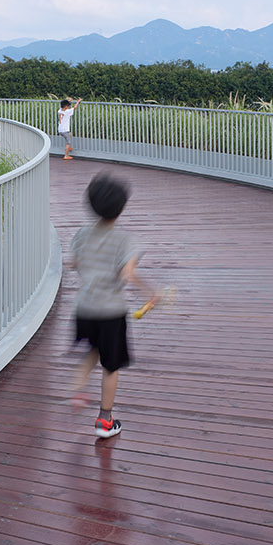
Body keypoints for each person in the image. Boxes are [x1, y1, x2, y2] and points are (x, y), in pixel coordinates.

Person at [68, 173, 156, 439]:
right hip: (111, 312)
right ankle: (105, 420)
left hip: (84, 308)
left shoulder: (81, 234)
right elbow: (127, 274)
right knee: (110, 366)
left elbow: (73, 263)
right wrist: (151, 293)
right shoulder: (125, 240)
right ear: (121, 208)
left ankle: (78, 390)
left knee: (92, 350)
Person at [56, 96, 82, 160]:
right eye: (68, 106)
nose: (69, 107)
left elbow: (64, 104)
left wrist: (69, 100)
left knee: (70, 134)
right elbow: (74, 108)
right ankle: (66, 155)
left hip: (60, 130)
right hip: (65, 130)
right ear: (66, 107)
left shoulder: (59, 111)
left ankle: (68, 148)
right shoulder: (67, 112)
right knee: (68, 142)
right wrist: (78, 101)